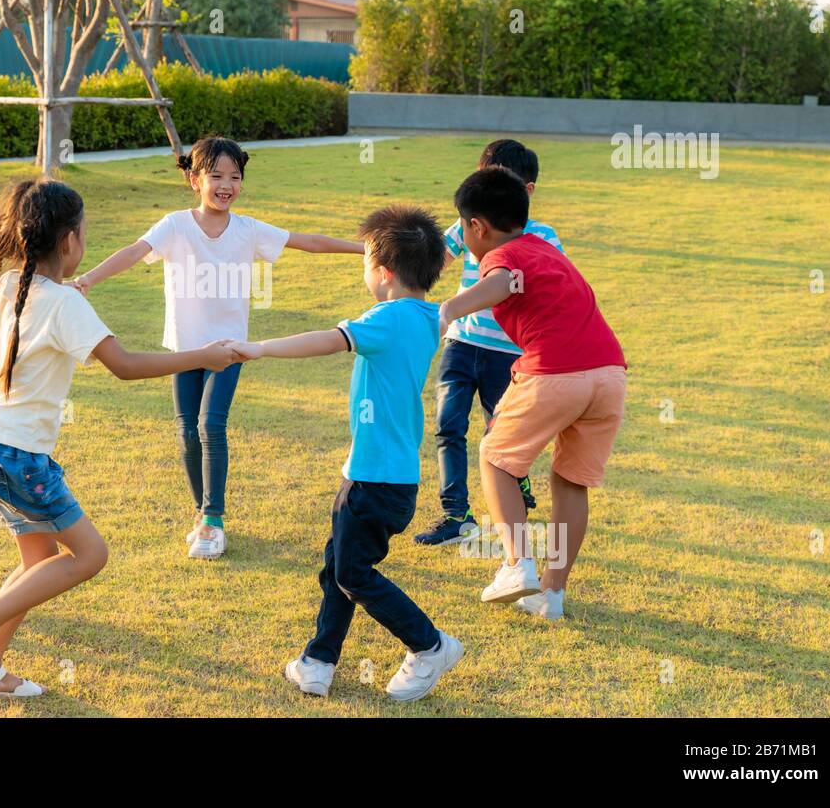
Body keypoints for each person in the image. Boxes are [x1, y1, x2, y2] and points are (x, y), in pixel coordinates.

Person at [0, 178, 241, 701]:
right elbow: (124, 366)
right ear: (68, 241)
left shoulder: (9, 287)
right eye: (83, 232)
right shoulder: (61, 302)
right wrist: (203, 356)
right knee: (89, 555)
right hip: (18, 453)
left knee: (37, 565)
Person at [73, 135, 362, 560]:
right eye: (216, 176)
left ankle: (213, 519)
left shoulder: (247, 230)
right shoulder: (175, 225)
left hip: (230, 349)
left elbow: (308, 241)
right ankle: (201, 513)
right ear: (195, 179)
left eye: (235, 176)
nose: (226, 185)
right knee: (186, 432)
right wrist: (86, 281)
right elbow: (134, 251)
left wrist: (362, 248)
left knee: (211, 425)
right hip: (183, 348)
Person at [235, 204, 463, 701]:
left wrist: (259, 348)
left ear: (382, 273)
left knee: (354, 573)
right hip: (386, 474)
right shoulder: (429, 315)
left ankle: (430, 645)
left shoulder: (385, 318)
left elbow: (328, 340)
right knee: (338, 565)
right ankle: (317, 661)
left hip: (374, 479)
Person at [438, 167, 626, 619]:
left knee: (494, 457)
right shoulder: (544, 246)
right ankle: (552, 595)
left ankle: (517, 565)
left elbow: (505, 282)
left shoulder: (501, 256)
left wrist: (450, 309)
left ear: (476, 227)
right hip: (609, 374)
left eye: (464, 228)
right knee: (570, 481)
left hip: (556, 372)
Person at [416, 139, 564, 546]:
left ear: (526, 191)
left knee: (500, 432)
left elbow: (546, 284)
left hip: (509, 353)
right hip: (460, 344)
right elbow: (431, 262)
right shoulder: (469, 223)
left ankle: (517, 480)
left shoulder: (542, 237)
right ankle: (456, 515)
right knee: (448, 426)